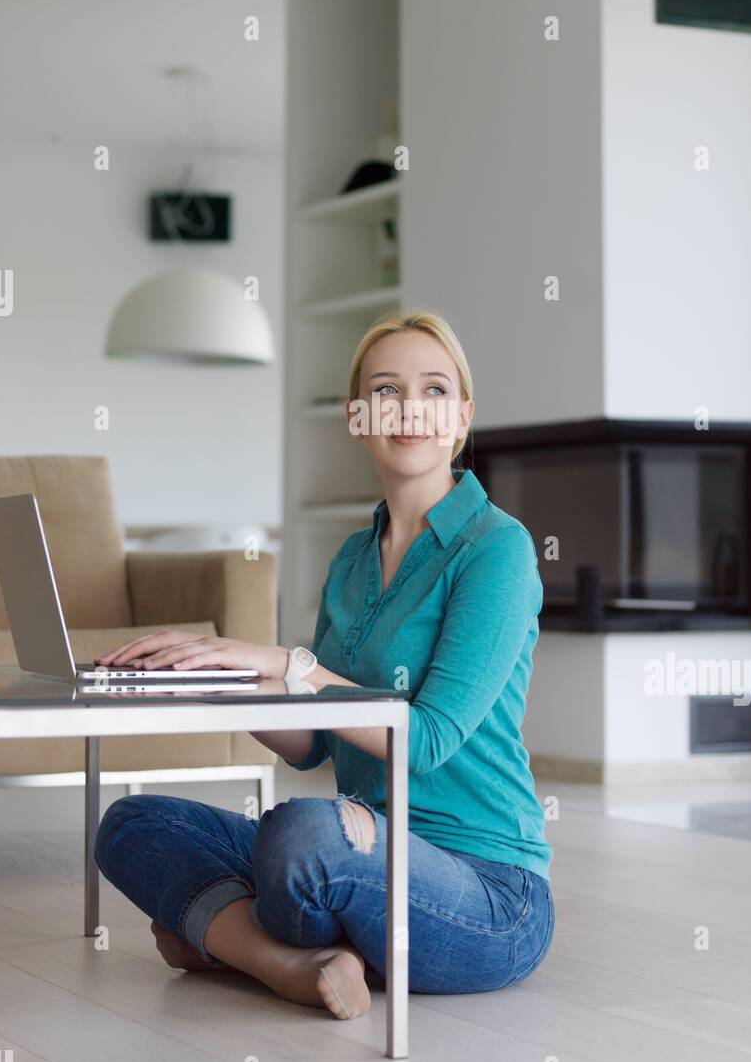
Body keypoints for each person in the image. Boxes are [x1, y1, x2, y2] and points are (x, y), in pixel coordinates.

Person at [93, 308, 554, 1020]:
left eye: (434, 390)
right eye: (386, 391)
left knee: (302, 837)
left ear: (461, 417)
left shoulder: (497, 548)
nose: (410, 409)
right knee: (130, 823)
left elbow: (426, 740)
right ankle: (288, 963)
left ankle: (225, 933)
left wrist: (288, 663)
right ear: (356, 417)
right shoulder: (350, 560)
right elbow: (311, 746)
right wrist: (219, 682)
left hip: (485, 890)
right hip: (362, 836)